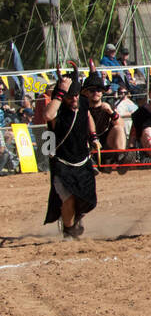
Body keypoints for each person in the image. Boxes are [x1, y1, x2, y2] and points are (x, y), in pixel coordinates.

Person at [41, 69, 105, 238]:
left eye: (76, 94)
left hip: (83, 161)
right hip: (62, 163)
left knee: (87, 199)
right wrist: (61, 92)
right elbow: (47, 115)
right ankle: (69, 232)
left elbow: (88, 115)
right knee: (68, 199)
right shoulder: (58, 108)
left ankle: (74, 218)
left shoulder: (82, 102)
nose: (75, 99)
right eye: (70, 96)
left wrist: (93, 137)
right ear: (62, 96)